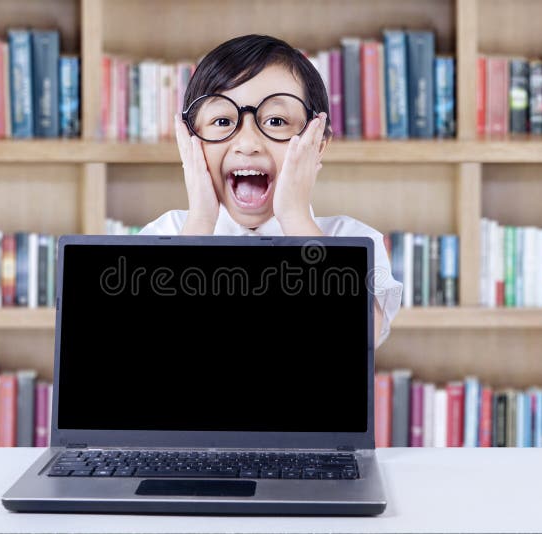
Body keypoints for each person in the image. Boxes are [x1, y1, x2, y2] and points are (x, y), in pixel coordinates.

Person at [139, 34, 402, 347]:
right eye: (222, 120)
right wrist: (199, 224)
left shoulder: (357, 244)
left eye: (276, 120)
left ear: (317, 145)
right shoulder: (162, 235)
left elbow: (354, 341)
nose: (248, 143)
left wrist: (294, 216)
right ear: (189, 143)